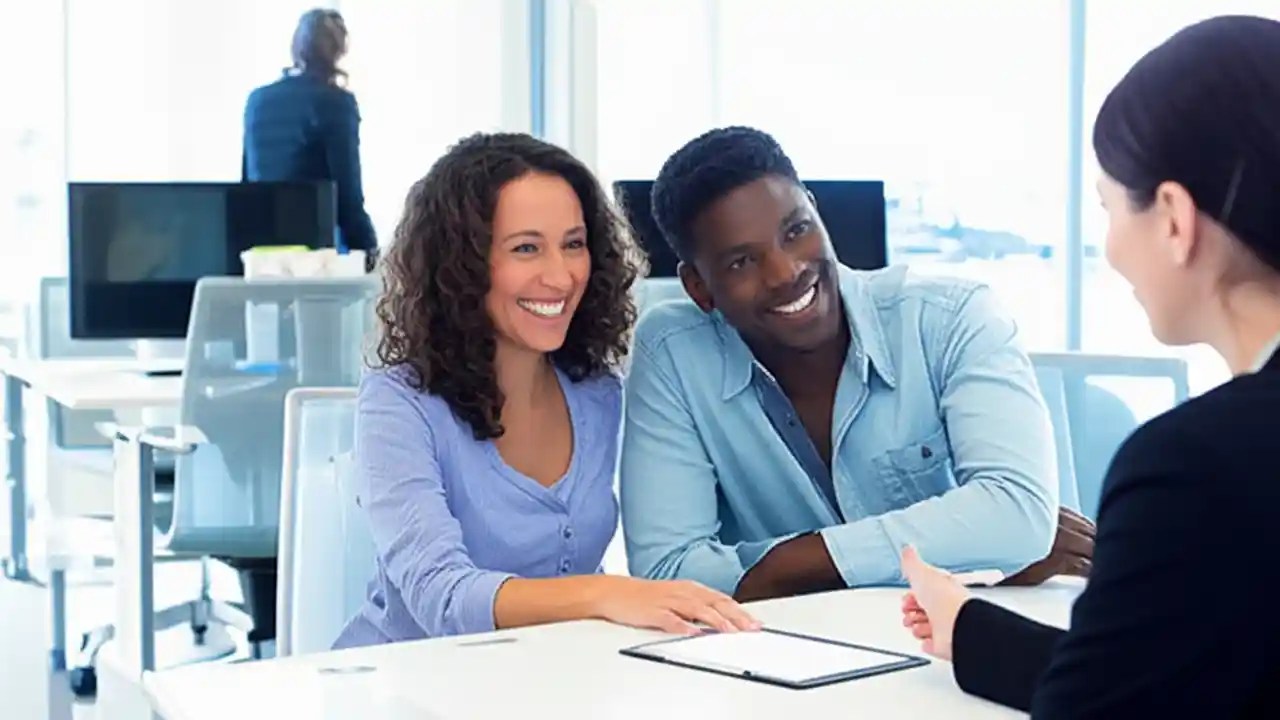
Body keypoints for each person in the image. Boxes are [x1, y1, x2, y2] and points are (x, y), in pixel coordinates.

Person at [899, 15, 1280, 717]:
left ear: (1172, 217)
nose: (1108, 248)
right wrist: (974, 631)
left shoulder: (1195, 465)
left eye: (1108, 207)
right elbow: (1190, 668)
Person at [620, 125, 1093, 603]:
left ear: (816, 213)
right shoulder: (673, 351)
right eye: (742, 262)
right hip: (787, 655)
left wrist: (784, 569)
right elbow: (668, 574)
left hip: (963, 640)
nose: (786, 273)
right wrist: (972, 553)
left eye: (796, 231)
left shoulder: (951, 319)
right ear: (699, 287)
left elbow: (1016, 518)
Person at [333, 132, 760, 649]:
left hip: (547, 680)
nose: (559, 277)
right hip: (407, 685)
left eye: (573, 244)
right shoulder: (398, 402)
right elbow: (440, 596)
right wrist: (605, 594)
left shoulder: (597, 391)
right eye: (526, 248)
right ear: (462, 263)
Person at [242, 8, 378, 264]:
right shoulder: (336, 103)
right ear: (337, 50)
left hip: (259, 258)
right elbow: (347, 194)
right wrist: (374, 257)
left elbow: (246, 183)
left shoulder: (257, 101)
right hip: (311, 260)